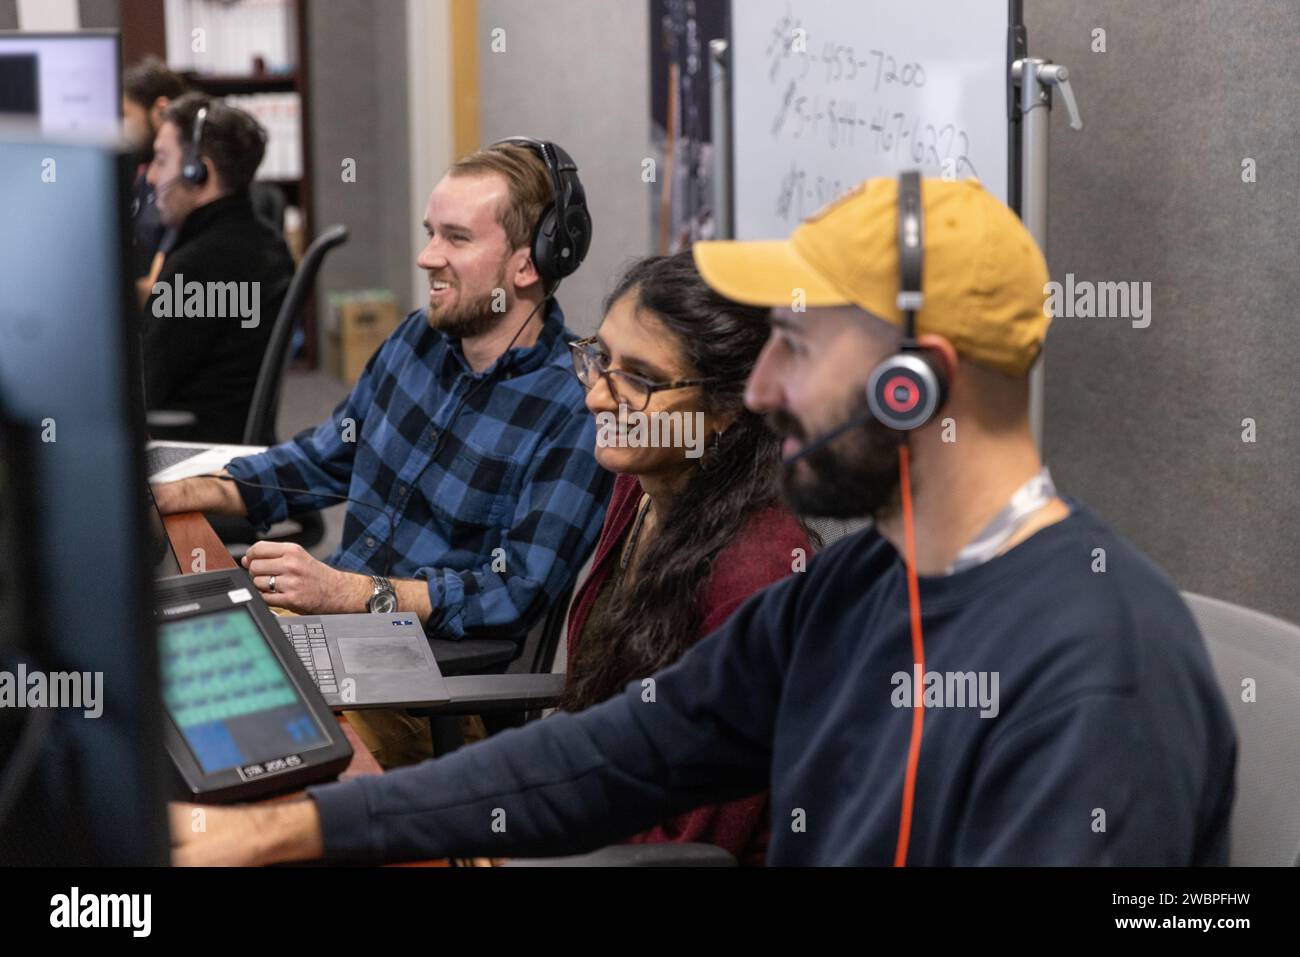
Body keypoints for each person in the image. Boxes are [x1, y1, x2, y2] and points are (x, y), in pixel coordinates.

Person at [170, 177, 1235, 866]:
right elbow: (616, 753)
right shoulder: (856, 591)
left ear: (917, 383)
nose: (761, 392)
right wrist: (293, 828)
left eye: (798, 348)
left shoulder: (1100, 666)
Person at [152, 140, 612, 658]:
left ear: (529, 266)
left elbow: (516, 593)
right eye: (429, 233)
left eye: (455, 238)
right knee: (160, 654)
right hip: (331, 625)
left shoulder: (575, 409)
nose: (426, 257)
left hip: (421, 671)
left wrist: (347, 592)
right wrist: (184, 491)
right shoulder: (418, 339)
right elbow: (326, 459)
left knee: (204, 705)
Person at [561, 251, 812, 864]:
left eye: (640, 380)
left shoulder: (760, 573)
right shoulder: (641, 483)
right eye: (601, 359)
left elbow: (690, 840)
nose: (598, 396)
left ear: (728, 409)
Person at [142, 93, 295, 442]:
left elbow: (140, 392)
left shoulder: (196, 267)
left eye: (161, 161)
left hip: (189, 460)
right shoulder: (268, 242)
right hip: (236, 447)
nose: (151, 177)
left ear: (197, 173)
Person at [121, 55, 187, 298]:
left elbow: (157, 293)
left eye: (124, 115)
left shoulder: (184, 186)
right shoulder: (140, 174)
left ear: (160, 110)